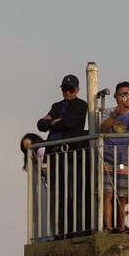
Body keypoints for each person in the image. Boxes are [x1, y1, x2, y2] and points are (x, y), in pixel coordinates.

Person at [38, 74, 90, 236]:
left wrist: (53, 122)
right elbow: (41, 124)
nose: (67, 92)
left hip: (71, 154)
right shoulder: (56, 105)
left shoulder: (81, 105)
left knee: (74, 194)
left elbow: (70, 122)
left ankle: (76, 230)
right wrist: (54, 121)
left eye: (70, 89)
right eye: (65, 89)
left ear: (77, 90)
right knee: (57, 196)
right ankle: (60, 232)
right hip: (55, 155)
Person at [101, 81, 129, 232]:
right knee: (107, 194)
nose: (123, 98)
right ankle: (107, 226)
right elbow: (103, 127)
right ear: (115, 96)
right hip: (107, 156)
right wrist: (115, 115)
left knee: (122, 195)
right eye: (121, 94)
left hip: (125, 157)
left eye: (126, 94)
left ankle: (123, 226)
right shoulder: (108, 111)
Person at [20, 133, 51, 241]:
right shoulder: (33, 160)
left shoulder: (42, 150)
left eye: (30, 145)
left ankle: (47, 236)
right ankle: (43, 236)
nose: (29, 150)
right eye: (26, 148)